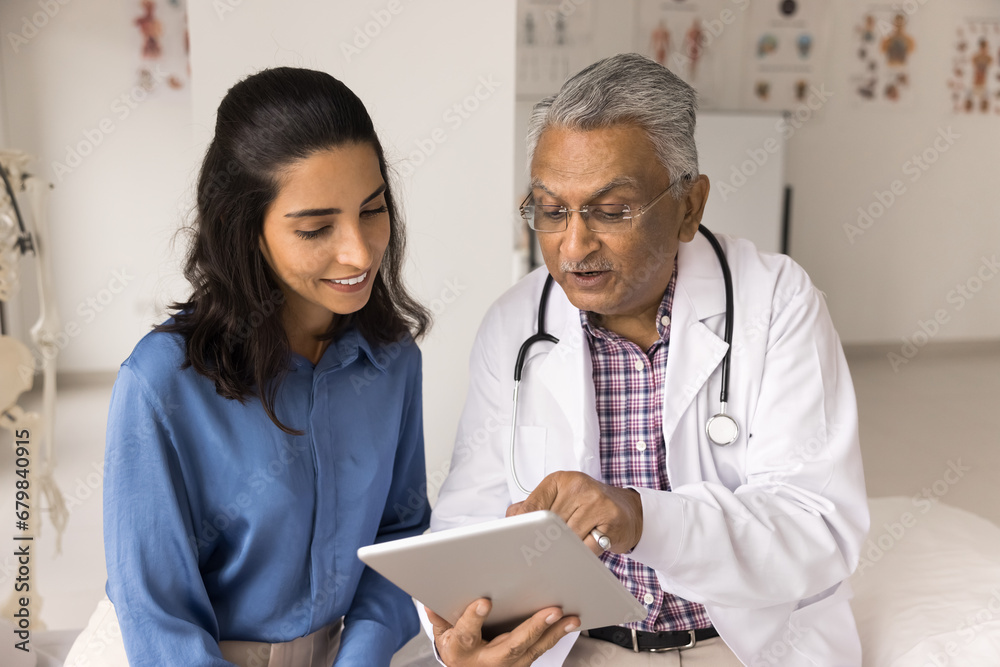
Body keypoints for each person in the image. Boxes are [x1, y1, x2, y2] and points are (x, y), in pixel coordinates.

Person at [422, 53, 868, 666]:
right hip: (579, 650)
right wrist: (459, 639)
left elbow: (818, 529)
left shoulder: (777, 302)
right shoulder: (515, 324)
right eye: (552, 211)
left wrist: (640, 518)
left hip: (739, 647)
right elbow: (467, 522)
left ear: (689, 206)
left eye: (611, 210)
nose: (573, 245)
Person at [64, 67, 431, 667]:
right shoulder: (159, 383)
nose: (360, 252)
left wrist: (359, 657)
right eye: (316, 228)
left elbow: (401, 535)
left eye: (372, 210)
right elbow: (156, 610)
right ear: (246, 230)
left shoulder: (392, 362)